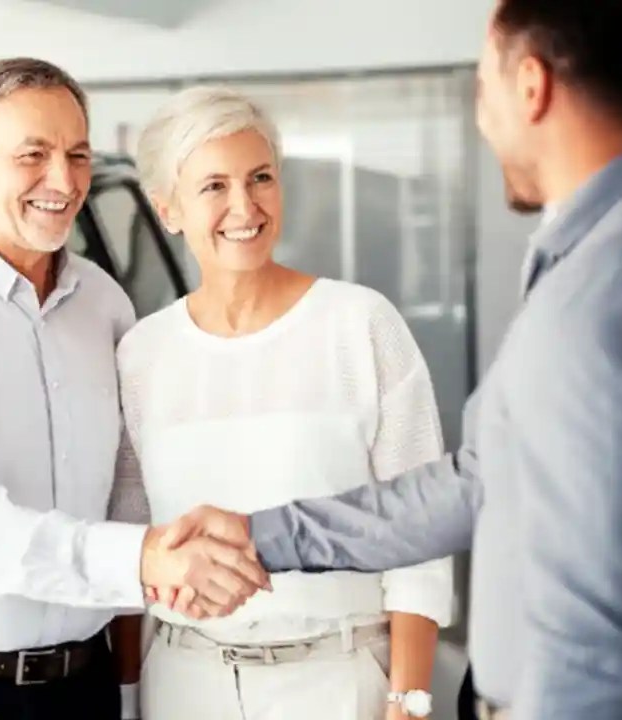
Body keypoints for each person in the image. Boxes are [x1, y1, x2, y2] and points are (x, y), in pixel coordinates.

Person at [155, 2, 622, 719]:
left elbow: (588, 645)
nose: (481, 118)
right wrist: (263, 534)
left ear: (530, 85)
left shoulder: (603, 295)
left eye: (481, 86)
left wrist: (411, 689)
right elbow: (481, 481)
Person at [0, 57, 270, 720]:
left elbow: (127, 488)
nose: (63, 182)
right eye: (32, 154)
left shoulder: (104, 303)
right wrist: (147, 558)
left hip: (77, 689)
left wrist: (158, 608)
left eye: (77, 154)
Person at [105, 85, 454, 720]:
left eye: (260, 177)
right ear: (168, 209)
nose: (244, 205)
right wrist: (128, 697)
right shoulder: (141, 354)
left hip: (339, 682)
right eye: (213, 186)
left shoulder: (361, 323)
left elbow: (422, 527)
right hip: (184, 685)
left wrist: (410, 698)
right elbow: (131, 543)